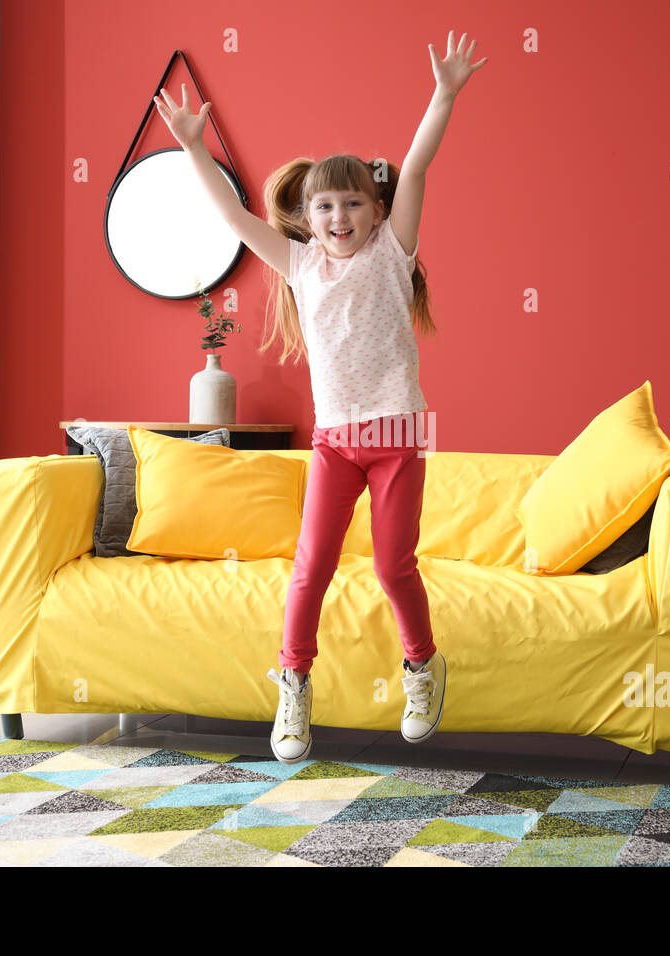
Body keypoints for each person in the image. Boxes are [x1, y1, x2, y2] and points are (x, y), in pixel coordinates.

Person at [154, 31, 487, 764]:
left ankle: (423, 666)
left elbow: (421, 163)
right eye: (325, 207)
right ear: (308, 217)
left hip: (399, 436)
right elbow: (236, 220)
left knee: (396, 566)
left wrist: (444, 94)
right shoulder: (300, 263)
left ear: (375, 209)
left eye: (351, 205)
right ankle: (293, 683)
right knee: (313, 567)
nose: (338, 218)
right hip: (336, 442)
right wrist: (192, 148)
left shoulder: (393, 254)